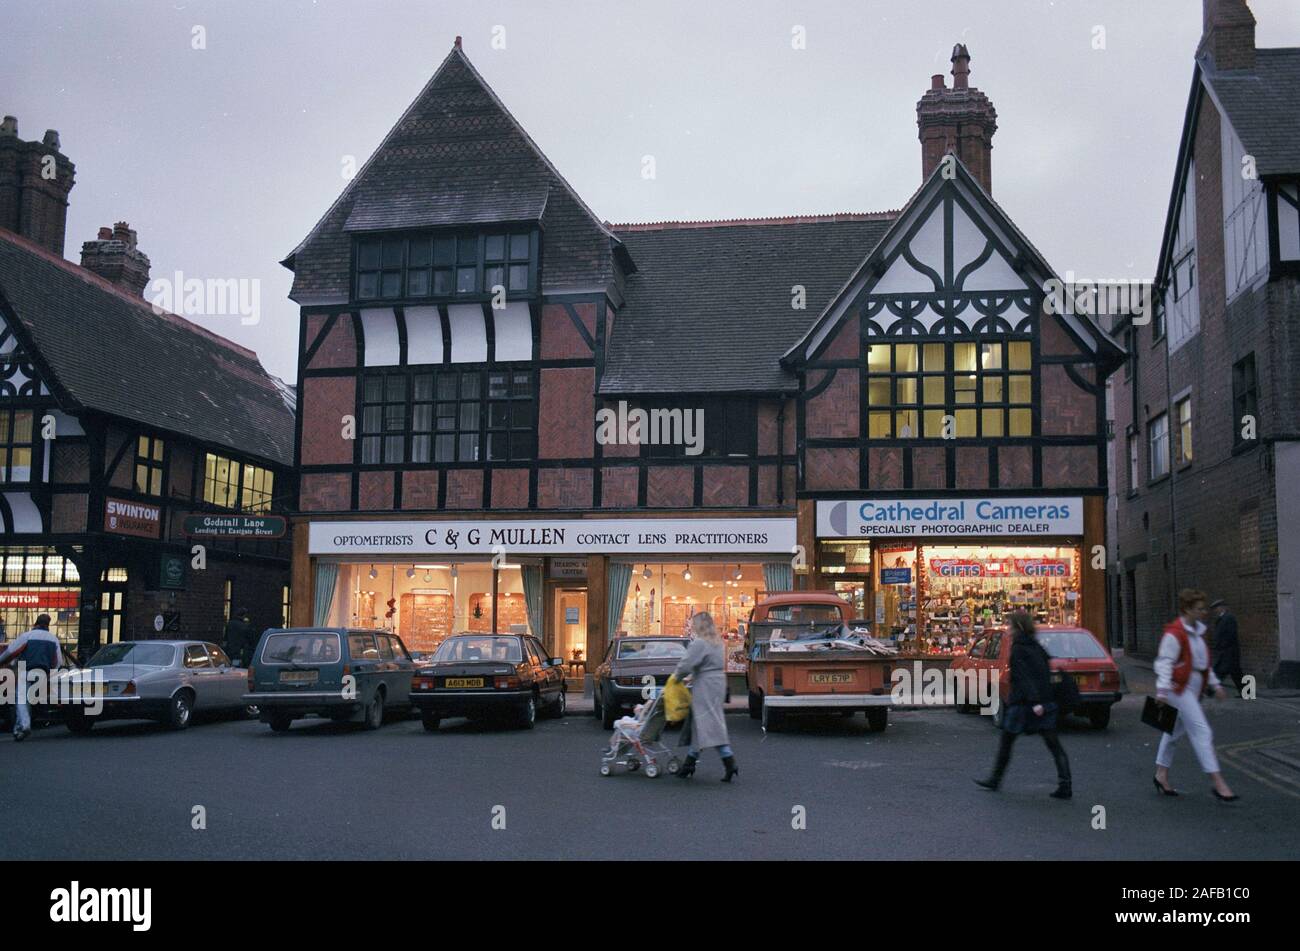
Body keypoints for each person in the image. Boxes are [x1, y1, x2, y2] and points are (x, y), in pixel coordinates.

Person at [975, 612, 1072, 799]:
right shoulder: (1036, 646)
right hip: (1043, 702)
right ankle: (1065, 784)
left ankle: (995, 779)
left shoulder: (1018, 649)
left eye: (1010, 626)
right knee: (1053, 744)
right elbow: (1044, 672)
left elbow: (1023, 677)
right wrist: (1042, 700)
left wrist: (1035, 702)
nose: (1009, 629)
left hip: (1023, 704)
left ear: (1018, 627)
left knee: (1007, 742)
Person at [1153, 589, 1238, 801]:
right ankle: (1218, 783)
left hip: (1192, 689)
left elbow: (1203, 665)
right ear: (1187, 609)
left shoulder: (1198, 633)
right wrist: (1162, 690)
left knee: (1172, 732)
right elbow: (1164, 662)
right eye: (1199, 609)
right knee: (1202, 731)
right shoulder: (1174, 633)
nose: (1204, 613)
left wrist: (1215, 685)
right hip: (1178, 690)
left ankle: (1161, 774)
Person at [674, 612, 738, 782]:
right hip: (717, 682)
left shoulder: (700, 643)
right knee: (705, 722)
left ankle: (727, 762)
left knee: (706, 721)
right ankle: (691, 763)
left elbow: (686, 664)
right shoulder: (718, 642)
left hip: (705, 685)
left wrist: (676, 678)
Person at [0, 613, 63, 742]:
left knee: (21, 700)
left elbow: (11, 652)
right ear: (48, 625)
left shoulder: (27, 636)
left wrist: (1, 661)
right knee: (28, 701)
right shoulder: (54, 639)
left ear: (35, 623)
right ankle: (18, 730)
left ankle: (24, 725)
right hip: (42, 674)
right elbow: (58, 662)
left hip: (26, 671)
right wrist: (51, 673)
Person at [1210, 599, 1244, 697]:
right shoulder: (1222, 618)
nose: (1215, 610)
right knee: (1236, 673)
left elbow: (1231, 634)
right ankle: (1248, 692)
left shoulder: (1229, 618)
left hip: (1229, 651)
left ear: (1222, 607)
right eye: (1215, 608)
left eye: (1217, 608)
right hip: (1226, 651)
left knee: (1220, 671)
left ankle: (1210, 691)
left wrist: (1222, 645)